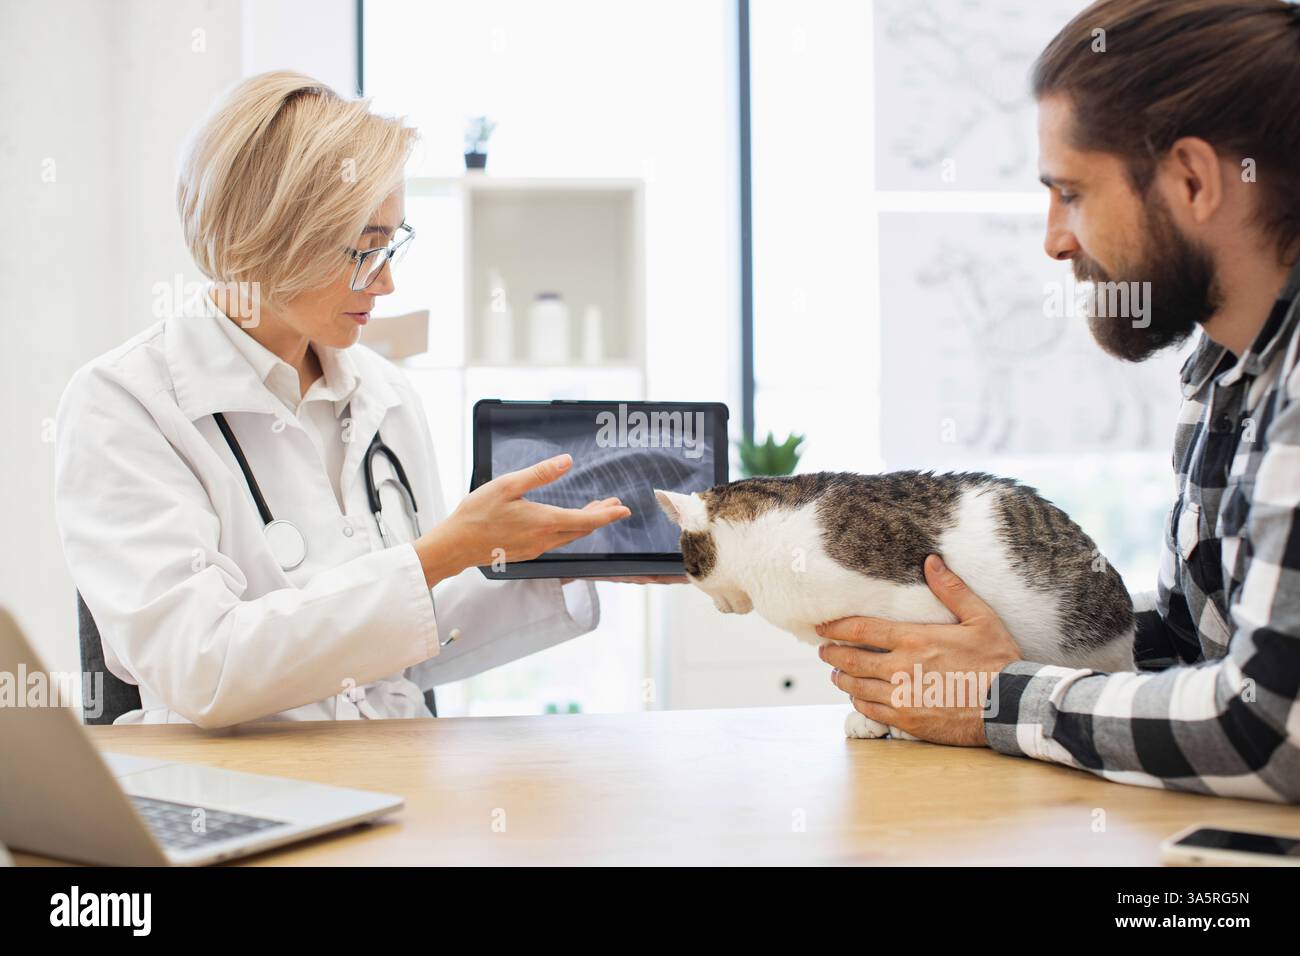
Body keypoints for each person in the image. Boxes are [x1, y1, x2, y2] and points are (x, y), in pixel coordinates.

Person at [54, 71, 672, 728]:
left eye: (392, 243)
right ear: (261, 241)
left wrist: (565, 558)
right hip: (238, 793)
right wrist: (439, 554)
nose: (386, 282)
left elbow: (410, 644)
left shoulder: (385, 394)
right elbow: (200, 668)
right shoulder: (125, 403)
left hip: (398, 773)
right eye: (364, 251)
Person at [820, 0, 1300, 802]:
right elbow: (1194, 640)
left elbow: (1267, 725)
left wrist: (994, 697)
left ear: (1192, 179)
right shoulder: (1226, 368)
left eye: (1071, 192)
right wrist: (966, 649)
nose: (1055, 239)